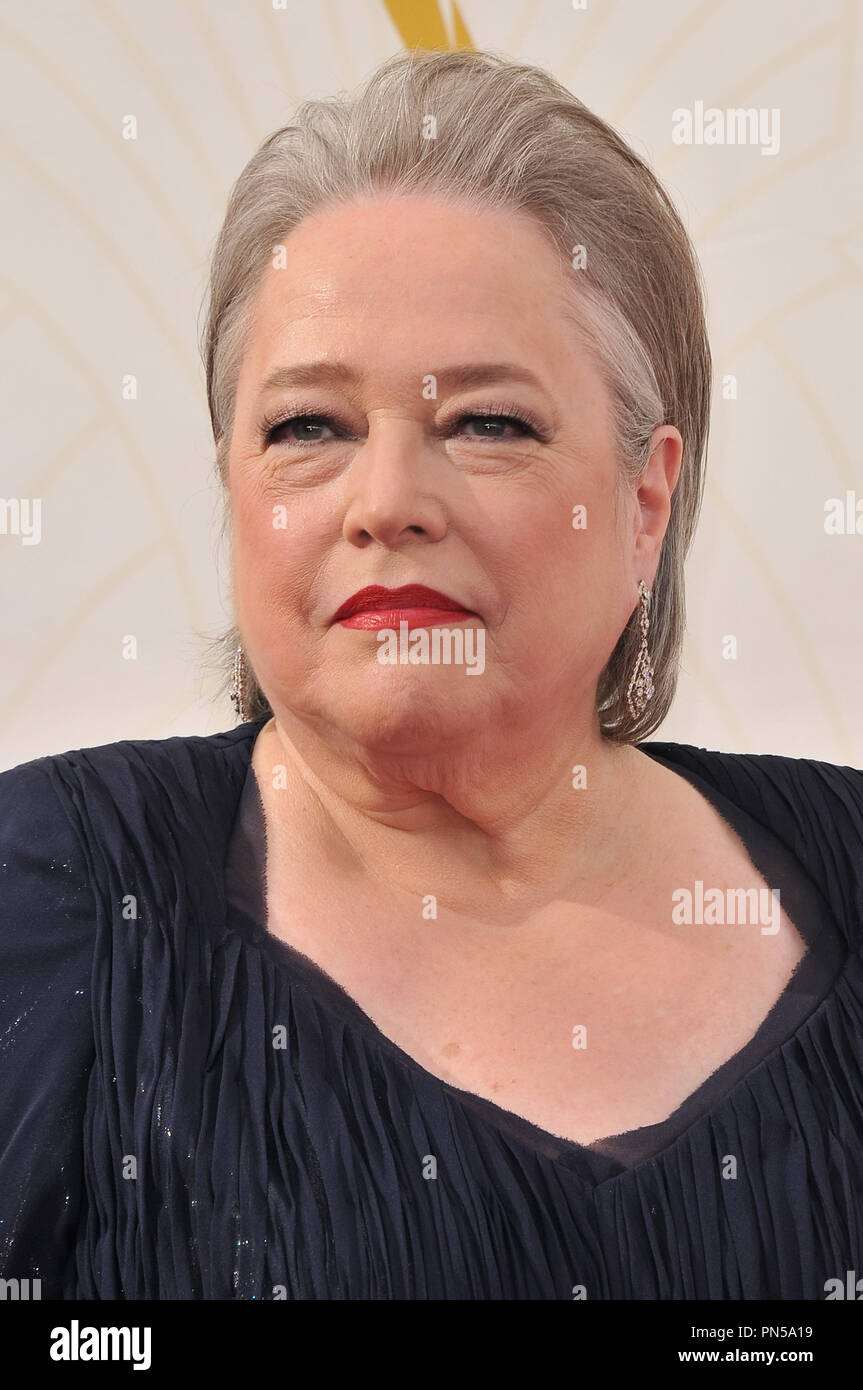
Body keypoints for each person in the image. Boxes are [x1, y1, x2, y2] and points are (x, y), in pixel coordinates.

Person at [1, 47, 860, 1301]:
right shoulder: (50, 901)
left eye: (487, 422)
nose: (388, 501)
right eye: (308, 428)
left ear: (642, 502)